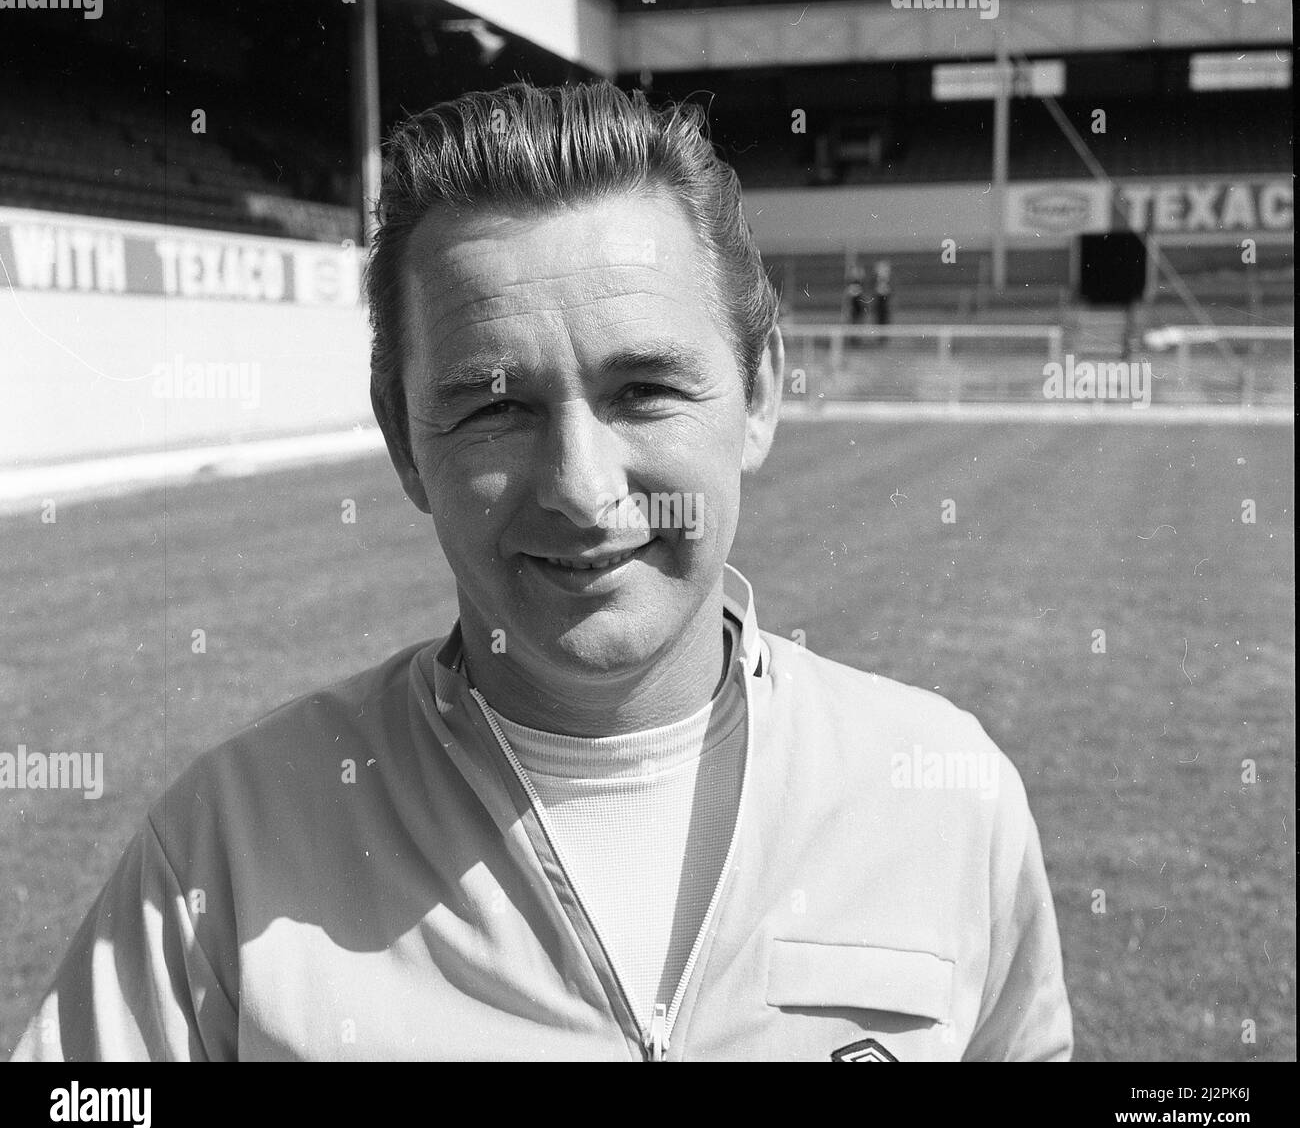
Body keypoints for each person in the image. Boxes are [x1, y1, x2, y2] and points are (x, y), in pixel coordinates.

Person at [12, 81, 1071, 1062]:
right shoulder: (228, 847)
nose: (578, 485)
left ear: (759, 397)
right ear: (402, 440)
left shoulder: (941, 791)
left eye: (645, 390)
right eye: (495, 407)